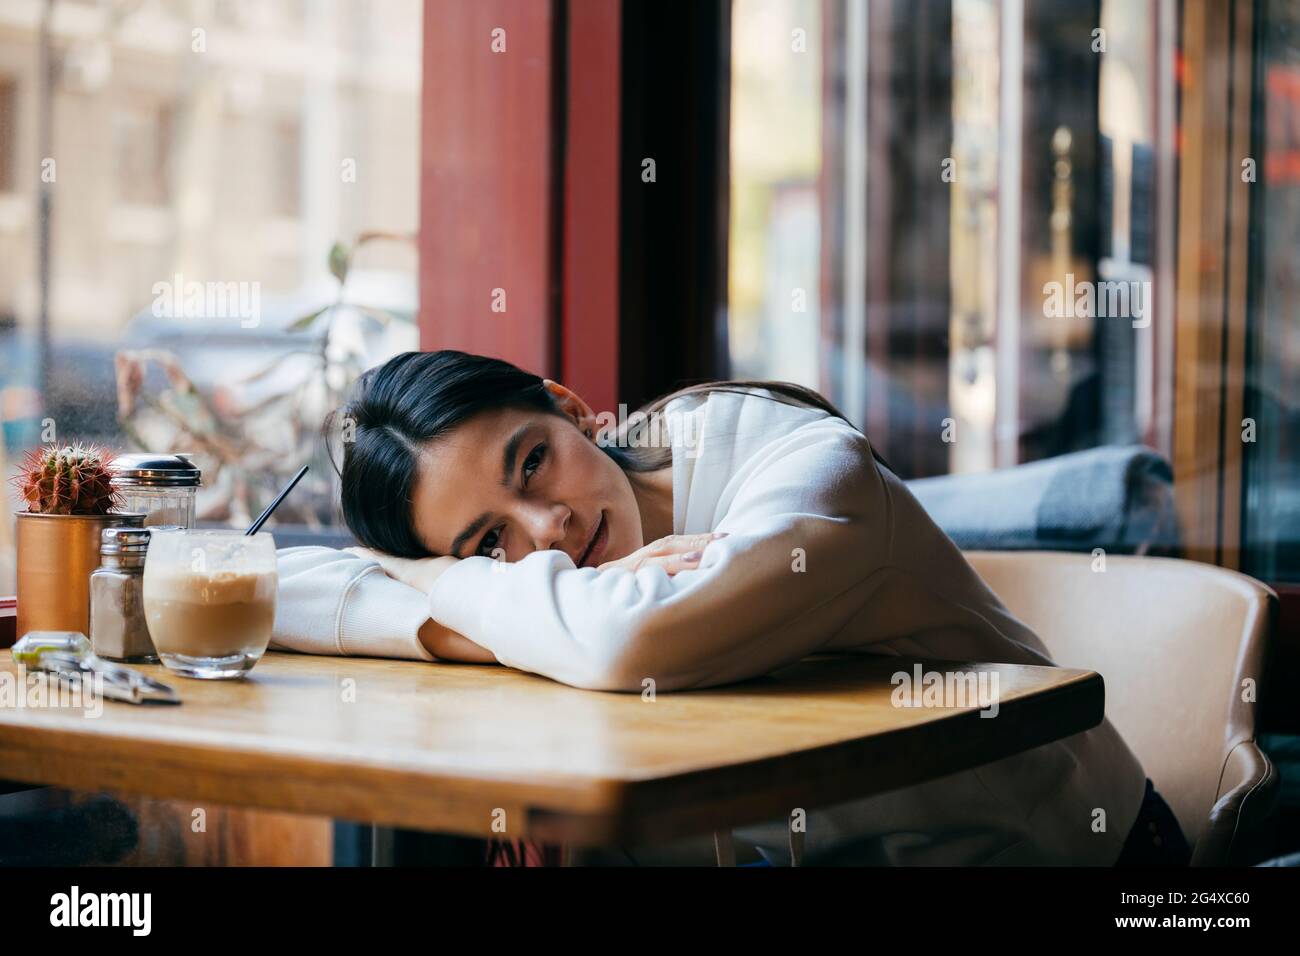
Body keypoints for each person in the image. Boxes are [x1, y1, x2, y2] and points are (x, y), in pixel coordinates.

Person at [271, 349, 1184, 866]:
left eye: (532, 462)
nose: (545, 530)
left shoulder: (807, 471)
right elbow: (285, 588)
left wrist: (449, 579)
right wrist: (446, 595)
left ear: (573, 407)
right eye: (487, 541)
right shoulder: (566, 582)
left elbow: (627, 639)